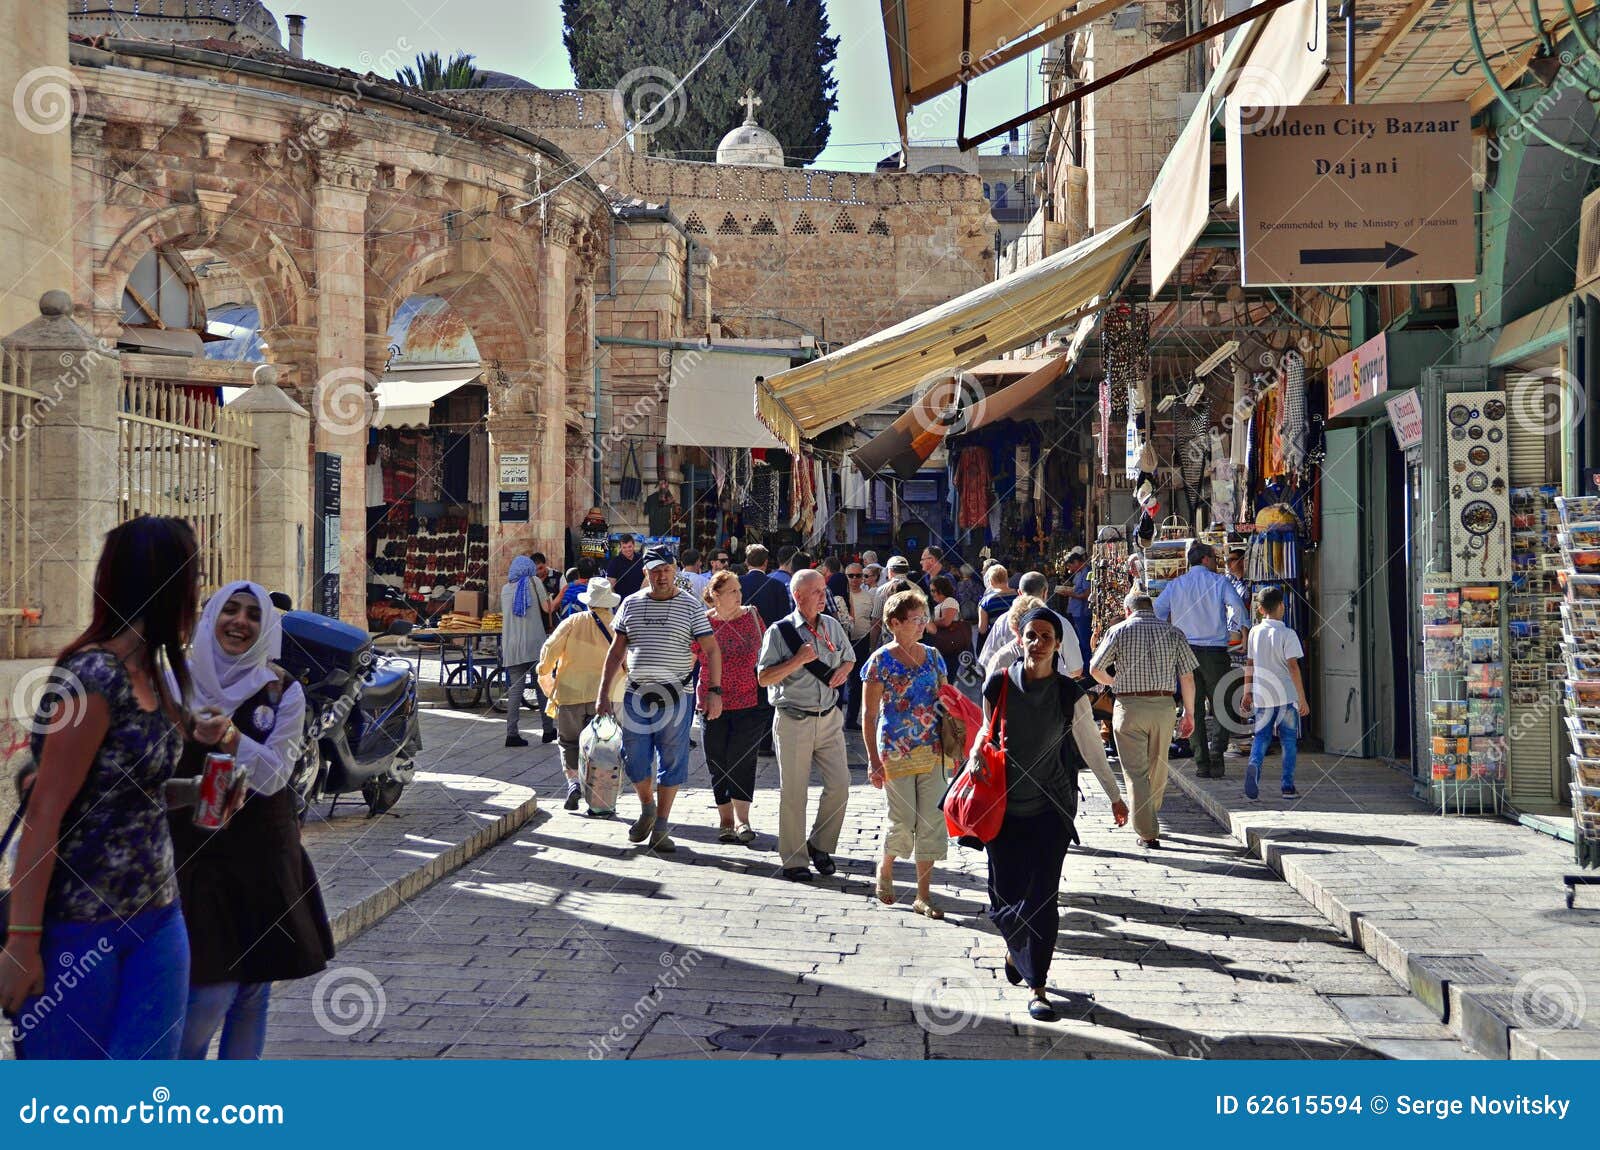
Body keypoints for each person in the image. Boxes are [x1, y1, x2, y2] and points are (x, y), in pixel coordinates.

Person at [0, 517, 200, 1058]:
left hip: (159, 918)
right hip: (79, 928)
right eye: (191, 575)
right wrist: (22, 942)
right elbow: (44, 811)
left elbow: (132, 793)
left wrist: (197, 793)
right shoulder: (93, 677)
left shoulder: (157, 671)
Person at [168, 581, 333, 1060]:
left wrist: (232, 738)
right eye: (230, 611)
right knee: (209, 986)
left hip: (260, 852)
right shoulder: (176, 679)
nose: (240, 622)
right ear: (212, 615)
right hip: (193, 855)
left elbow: (275, 775)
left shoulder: (283, 690)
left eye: (253, 615)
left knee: (252, 988)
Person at [982, 607, 1118, 1022]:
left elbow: (1091, 747)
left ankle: (1038, 986)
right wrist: (970, 762)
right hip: (1003, 809)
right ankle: (1015, 948)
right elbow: (984, 737)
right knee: (1003, 897)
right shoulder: (997, 683)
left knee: (1042, 899)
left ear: (1058, 644)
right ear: (1019, 640)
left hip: (1051, 809)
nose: (1037, 642)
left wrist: (1115, 795)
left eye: (1046, 636)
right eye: (1031, 635)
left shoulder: (1067, 693)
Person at [598, 548, 723, 853]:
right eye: (655, 570)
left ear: (675, 569)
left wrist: (714, 692)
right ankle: (647, 807)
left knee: (672, 761)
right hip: (636, 694)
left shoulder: (691, 606)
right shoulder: (631, 604)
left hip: (677, 695)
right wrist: (602, 694)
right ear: (646, 573)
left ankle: (662, 825)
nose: (661, 575)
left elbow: (712, 650)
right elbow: (616, 652)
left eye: (666, 569)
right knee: (634, 758)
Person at [756, 569, 855, 882]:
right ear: (798, 596)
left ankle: (820, 844)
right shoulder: (779, 631)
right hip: (793, 718)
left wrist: (843, 672)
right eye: (816, 591)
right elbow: (764, 678)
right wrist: (797, 661)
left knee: (840, 785)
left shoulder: (832, 626)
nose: (822, 596)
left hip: (828, 718)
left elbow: (849, 658)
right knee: (795, 793)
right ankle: (794, 859)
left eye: (823, 589)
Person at [861, 589, 951, 918]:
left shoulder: (933, 656)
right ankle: (885, 868)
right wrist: (873, 760)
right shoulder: (880, 661)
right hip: (895, 750)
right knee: (902, 820)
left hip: (935, 749)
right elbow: (869, 715)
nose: (921, 625)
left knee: (931, 819)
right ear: (895, 623)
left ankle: (923, 895)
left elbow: (947, 699)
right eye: (915, 619)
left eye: (924, 618)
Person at [1090, 591, 1199, 849]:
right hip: (1163, 706)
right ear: (1152, 609)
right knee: (1158, 767)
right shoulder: (1174, 632)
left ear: (1128, 610)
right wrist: (1190, 713)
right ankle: (1149, 814)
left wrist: (1115, 682)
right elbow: (1188, 678)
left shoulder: (1118, 631)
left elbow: (1095, 668)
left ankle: (1147, 831)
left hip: (1129, 707)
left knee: (1135, 771)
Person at [1154, 542, 1248, 779]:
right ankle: (1217, 755)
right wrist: (1237, 630)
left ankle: (1201, 762)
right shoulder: (1219, 582)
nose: (1218, 563)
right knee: (1222, 705)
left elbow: (1157, 611)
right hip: (1215, 652)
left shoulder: (1176, 585)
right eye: (1215, 558)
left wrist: (1171, 633)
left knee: (1191, 708)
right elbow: (1237, 608)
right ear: (1205, 559)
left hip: (1185, 651)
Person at [538, 578, 625, 812]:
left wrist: (544, 671)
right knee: (606, 746)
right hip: (610, 694)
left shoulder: (572, 621)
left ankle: (574, 783)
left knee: (568, 742)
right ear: (609, 603)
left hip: (572, 691)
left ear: (589, 602)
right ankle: (601, 796)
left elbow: (550, 648)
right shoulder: (618, 624)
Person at [694, 571, 765, 844]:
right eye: (733, 590)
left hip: (749, 699)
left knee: (743, 760)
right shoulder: (701, 623)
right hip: (712, 700)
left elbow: (766, 651)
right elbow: (690, 659)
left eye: (739, 589)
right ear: (715, 595)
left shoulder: (752, 617)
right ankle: (725, 819)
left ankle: (742, 820)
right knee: (717, 760)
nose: (739, 595)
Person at [1241, 586, 1309, 800]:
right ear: (1282, 606)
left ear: (1260, 609)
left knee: (1261, 738)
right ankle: (1287, 786)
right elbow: (1293, 667)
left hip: (1262, 695)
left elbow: (1249, 664)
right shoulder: (1288, 634)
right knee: (1288, 741)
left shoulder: (1254, 632)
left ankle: (1254, 767)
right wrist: (1302, 698)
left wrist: (1246, 692)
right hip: (1287, 697)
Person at [977, 571, 1080, 677]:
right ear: (1045, 592)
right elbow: (1076, 669)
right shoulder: (1061, 622)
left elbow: (985, 663)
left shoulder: (1002, 622)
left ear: (1019, 593)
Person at [501, 555, 556, 747]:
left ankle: (512, 733)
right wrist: (556, 595)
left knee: (515, 691)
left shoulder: (505, 589)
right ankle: (548, 730)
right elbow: (546, 607)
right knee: (541, 686)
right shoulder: (534, 582)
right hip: (534, 644)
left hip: (511, 646)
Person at [844, 561, 877, 731]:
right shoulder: (841, 595)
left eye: (859, 575)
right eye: (851, 576)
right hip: (843, 642)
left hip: (862, 642)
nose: (855, 579)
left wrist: (872, 644)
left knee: (857, 683)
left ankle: (850, 720)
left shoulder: (869, 596)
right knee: (841, 681)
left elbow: (874, 621)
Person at [1058, 548, 1093, 671]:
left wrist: (1069, 594)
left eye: (1070, 566)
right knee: (1081, 641)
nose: (1070, 569)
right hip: (1077, 612)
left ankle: (1087, 670)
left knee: (1085, 642)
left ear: (1076, 562)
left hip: (1082, 612)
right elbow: (1078, 589)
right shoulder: (1080, 573)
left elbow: (1086, 594)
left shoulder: (1087, 572)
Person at [740, 543, 790, 628]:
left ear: (746, 562)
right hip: (771, 635)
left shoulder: (737, 583)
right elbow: (784, 618)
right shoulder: (778, 586)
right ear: (766, 562)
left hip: (743, 633)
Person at [977, 564, 1016, 644]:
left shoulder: (985, 602)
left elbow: (982, 629)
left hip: (997, 643)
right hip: (1016, 641)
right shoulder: (1019, 596)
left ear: (990, 581)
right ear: (1007, 578)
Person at [607, 535, 647, 599]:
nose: (627, 549)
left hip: (640, 600)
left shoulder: (642, 559)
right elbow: (610, 586)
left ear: (634, 545)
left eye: (629, 546)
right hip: (622, 602)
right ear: (620, 548)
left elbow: (648, 578)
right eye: (624, 547)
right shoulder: (614, 562)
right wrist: (617, 604)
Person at [533, 552, 563, 630]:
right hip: (535, 623)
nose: (538, 572)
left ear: (546, 564)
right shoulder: (531, 579)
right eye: (535, 570)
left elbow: (564, 596)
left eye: (540, 568)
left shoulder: (558, 576)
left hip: (554, 623)